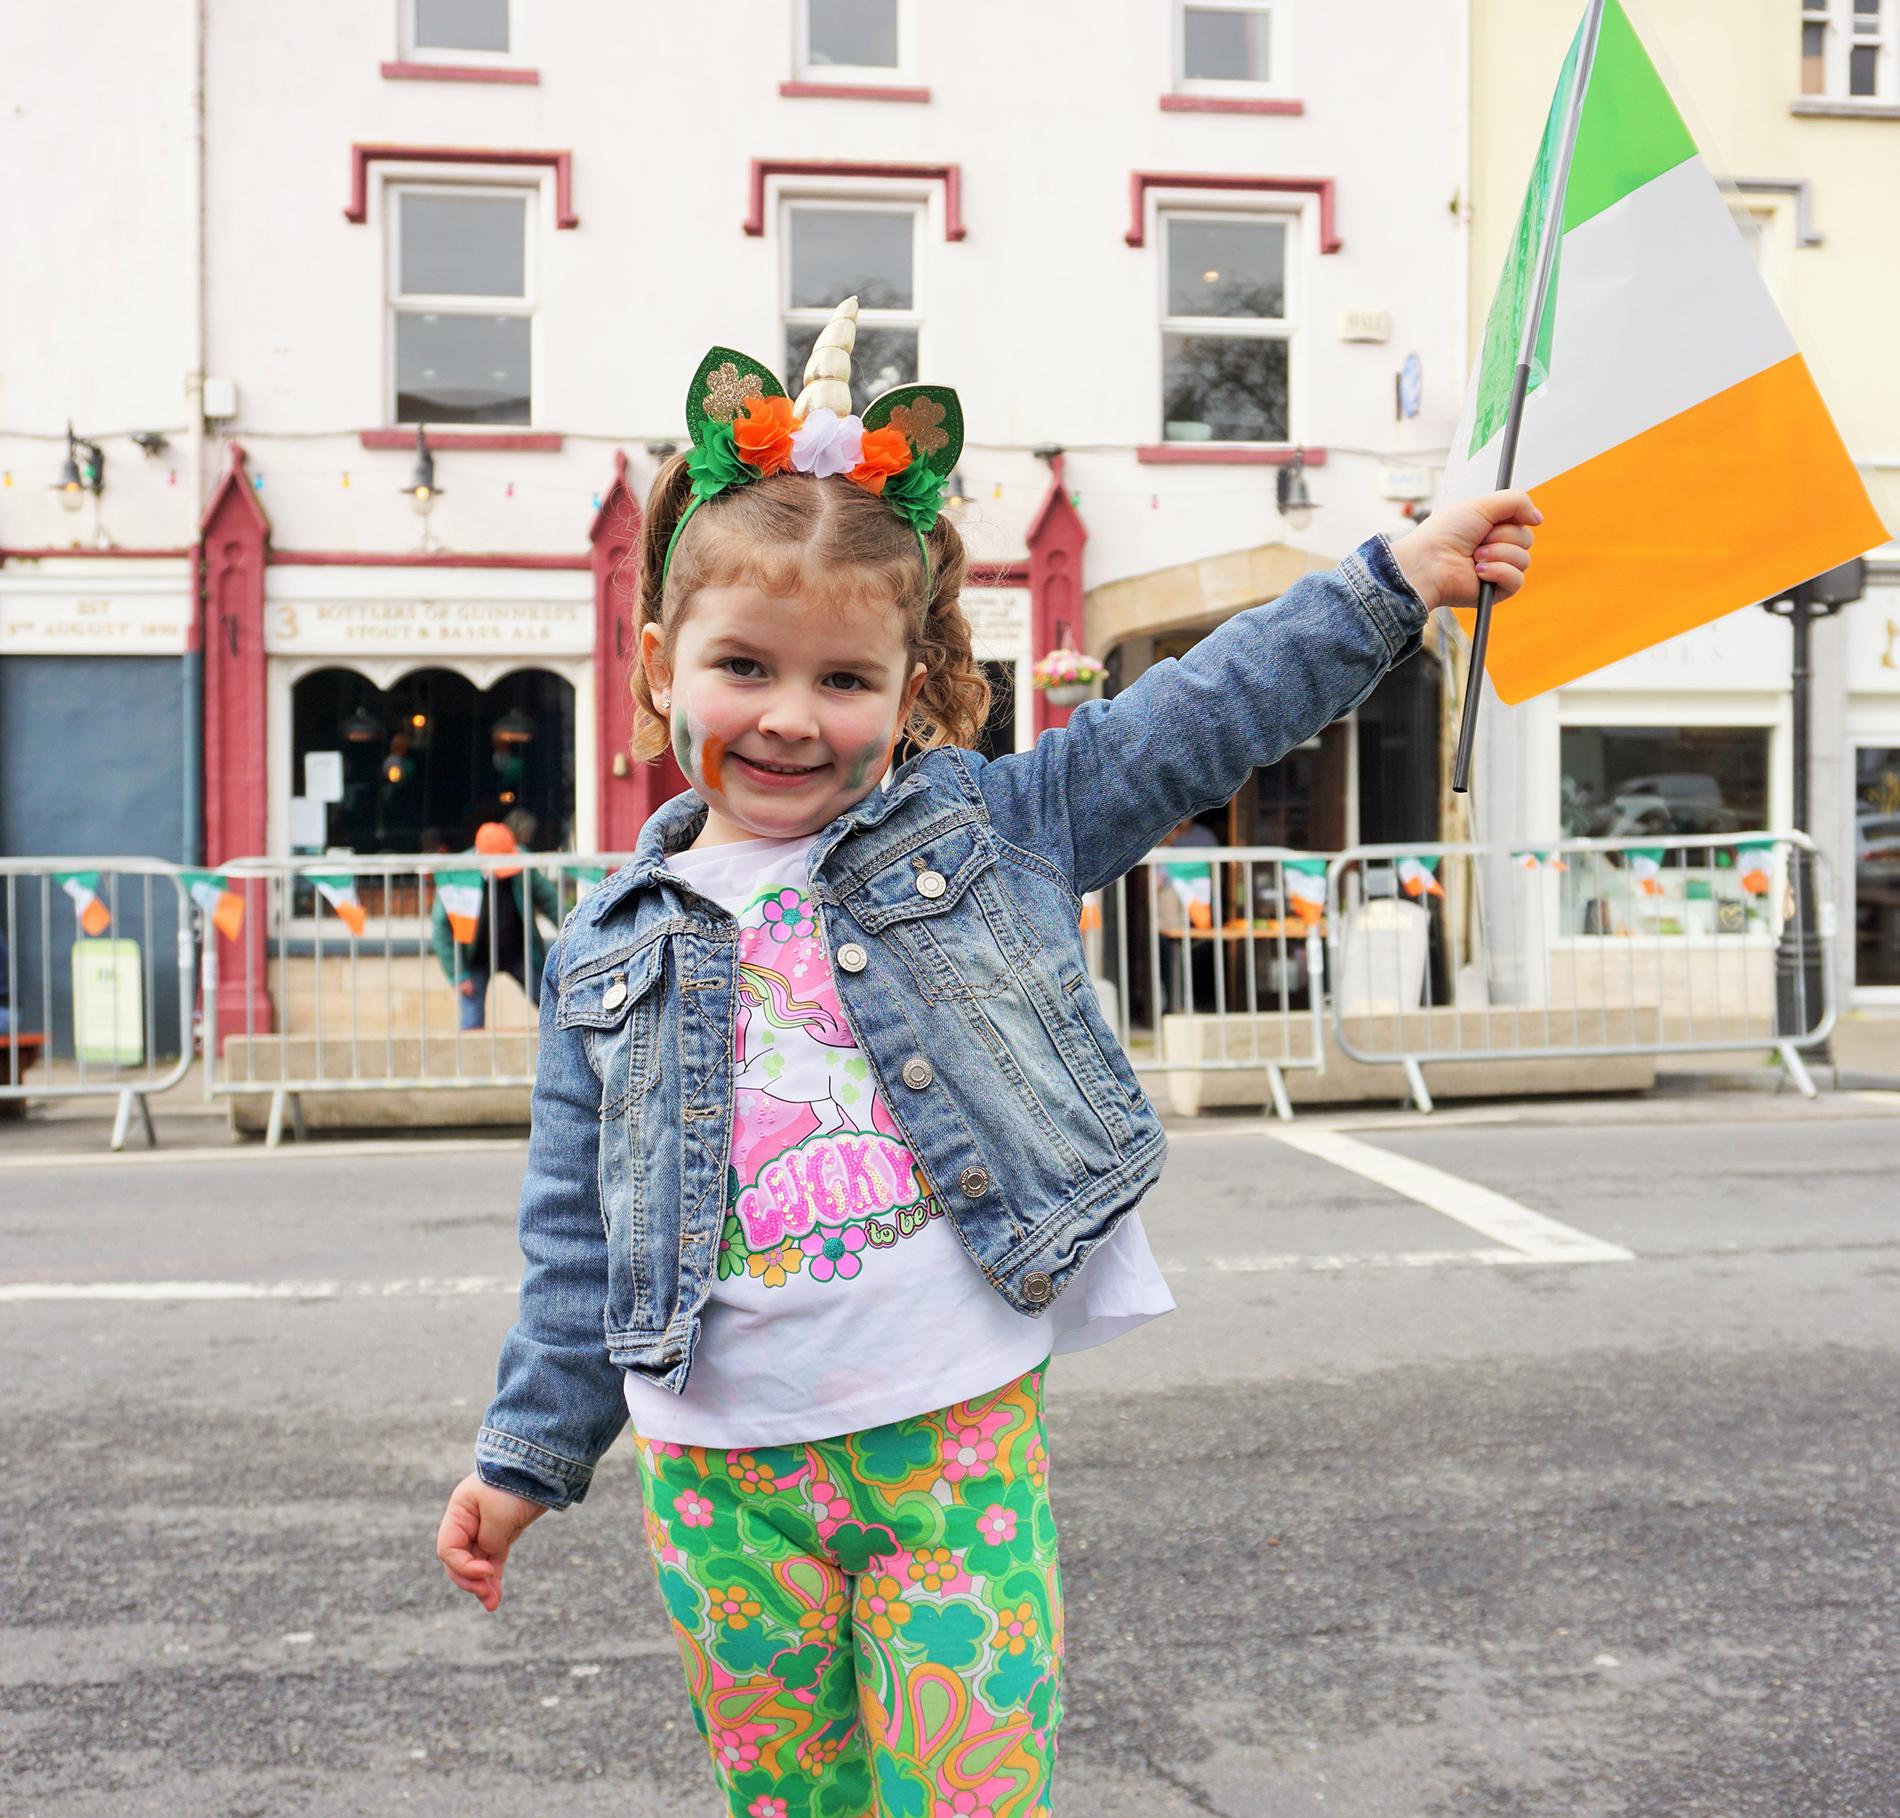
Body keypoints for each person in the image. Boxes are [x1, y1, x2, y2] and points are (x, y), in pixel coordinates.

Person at [434, 296, 1538, 1817]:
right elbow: (577, 1237)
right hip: (716, 1478)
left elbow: (1185, 724)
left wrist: (1391, 581)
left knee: (969, 1794)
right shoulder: (600, 951)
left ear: (908, 691)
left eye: (844, 681)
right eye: (744, 667)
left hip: (947, 1436)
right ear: (658, 668)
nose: (791, 719)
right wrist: (524, 1459)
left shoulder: (987, 832)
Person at [429, 820, 561, 1030]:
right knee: (471, 1022)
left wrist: (575, 930)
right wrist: (457, 974)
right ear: (481, 857)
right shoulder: (458, 872)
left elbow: (550, 901)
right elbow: (440, 927)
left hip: (519, 951)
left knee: (554, 1007)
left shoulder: (521, 863)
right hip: (474, 957)